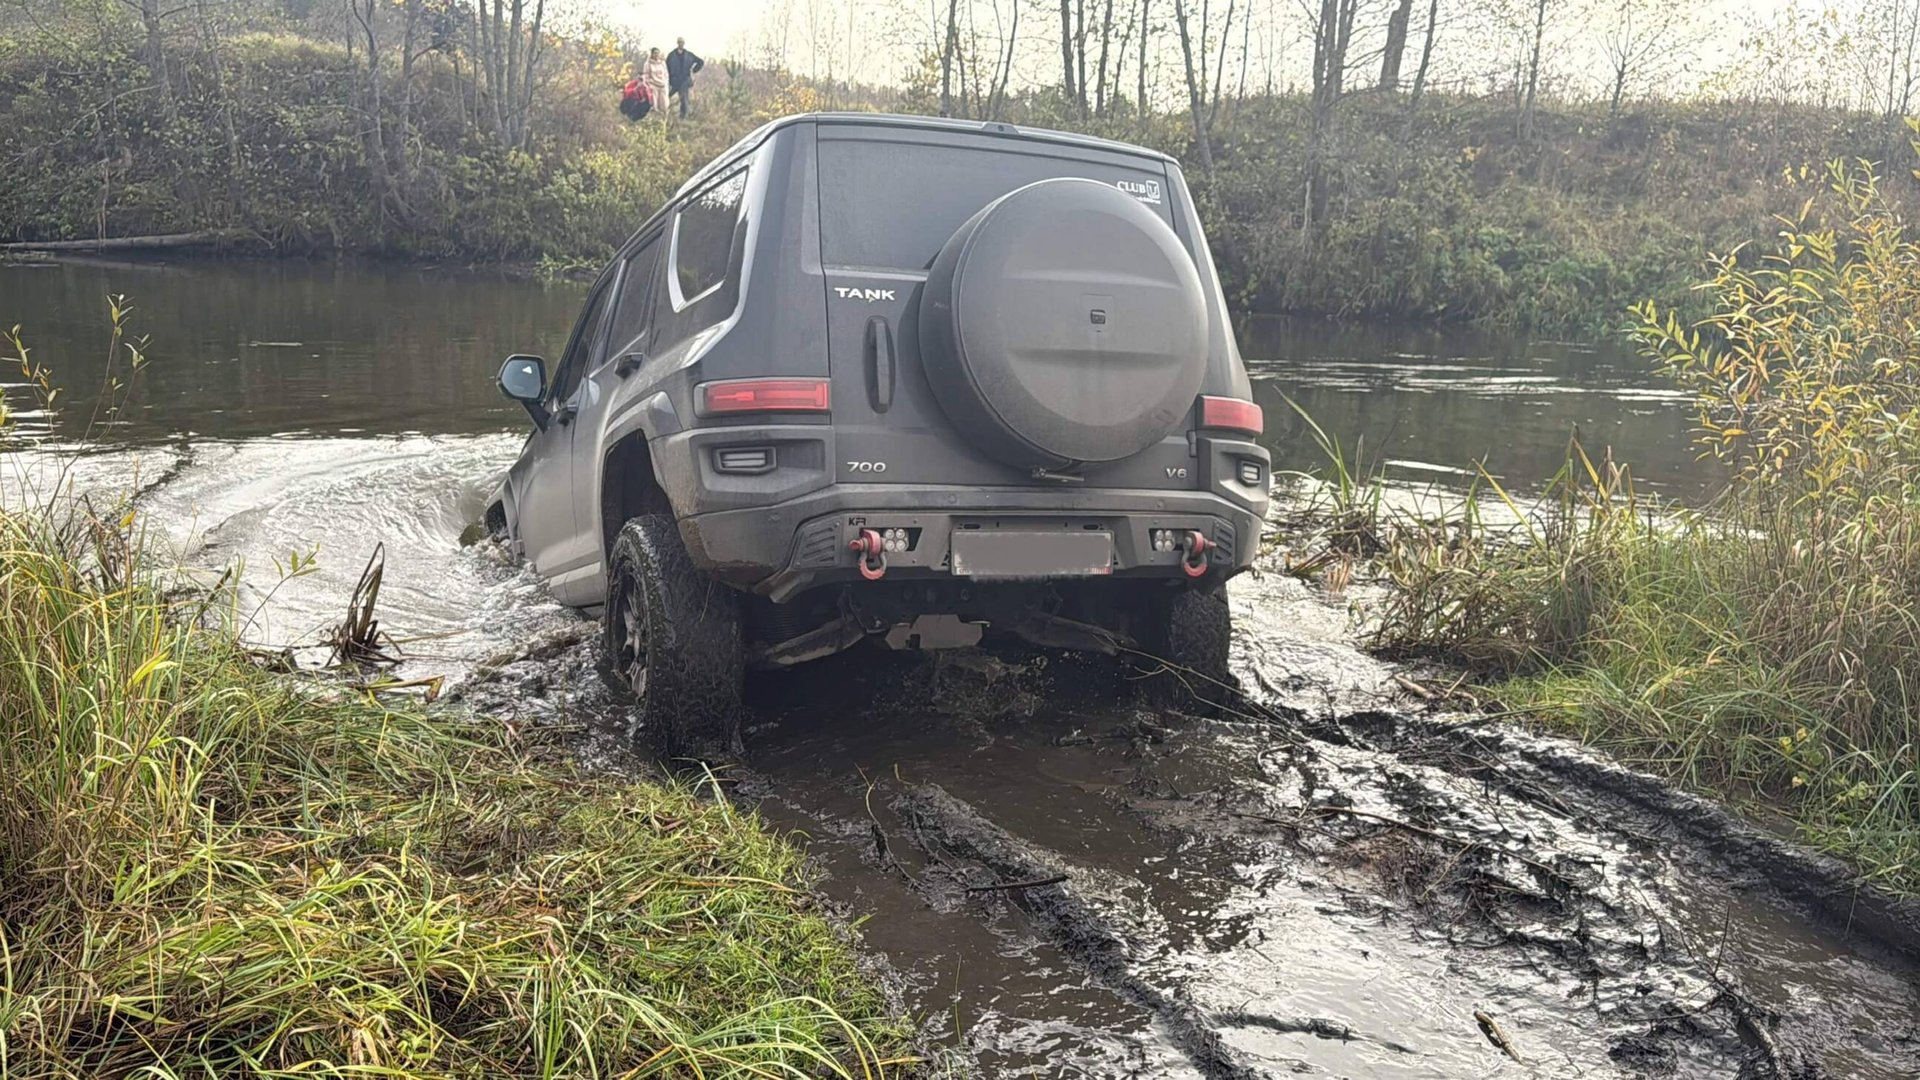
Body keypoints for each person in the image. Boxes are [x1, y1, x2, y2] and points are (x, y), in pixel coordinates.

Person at [666, 37, 703, 118]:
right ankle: (665, 113)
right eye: (679, 42)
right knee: (667, 96)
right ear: (677, 43)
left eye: (682, 42)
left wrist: (694, 70)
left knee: (683, 97)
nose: (681, 44)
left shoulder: (689, 55)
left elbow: (700, 61)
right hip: (674, 80)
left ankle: (683, 116)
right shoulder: (671, 55)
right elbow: (666, 68)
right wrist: (669, 79)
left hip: (685, 80)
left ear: (684, 43)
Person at [642, 48, 670, 119]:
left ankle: (664, 120)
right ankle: (654, 120)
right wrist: (648, 84)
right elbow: (645, 75)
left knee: (664, 105)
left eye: (657, 53)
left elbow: (666, 74)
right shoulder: (648, 63)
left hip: (662, 85)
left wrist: (666, 82)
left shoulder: (662, 63)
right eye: (655, 53)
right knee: (654, 105)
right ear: (652, 54)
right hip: (653, 85)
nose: (656, 54)